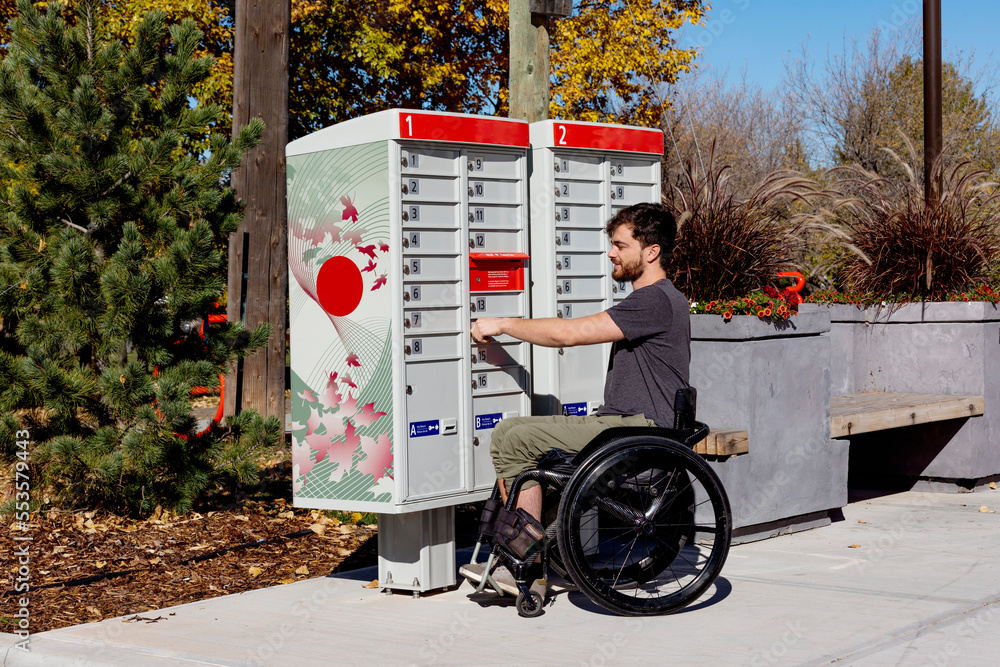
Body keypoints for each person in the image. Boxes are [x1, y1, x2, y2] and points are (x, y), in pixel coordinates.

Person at [470, 202, 691, 524]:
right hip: (626, 424)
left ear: (651, 251)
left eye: (620, 245)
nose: (611, 254)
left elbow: (567, 334)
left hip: (639, 428)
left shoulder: (654, 299)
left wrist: (503, 324)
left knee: (517, 438)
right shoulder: (659, 298)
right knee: (508, 431)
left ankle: (523, 553)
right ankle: (521, 545)